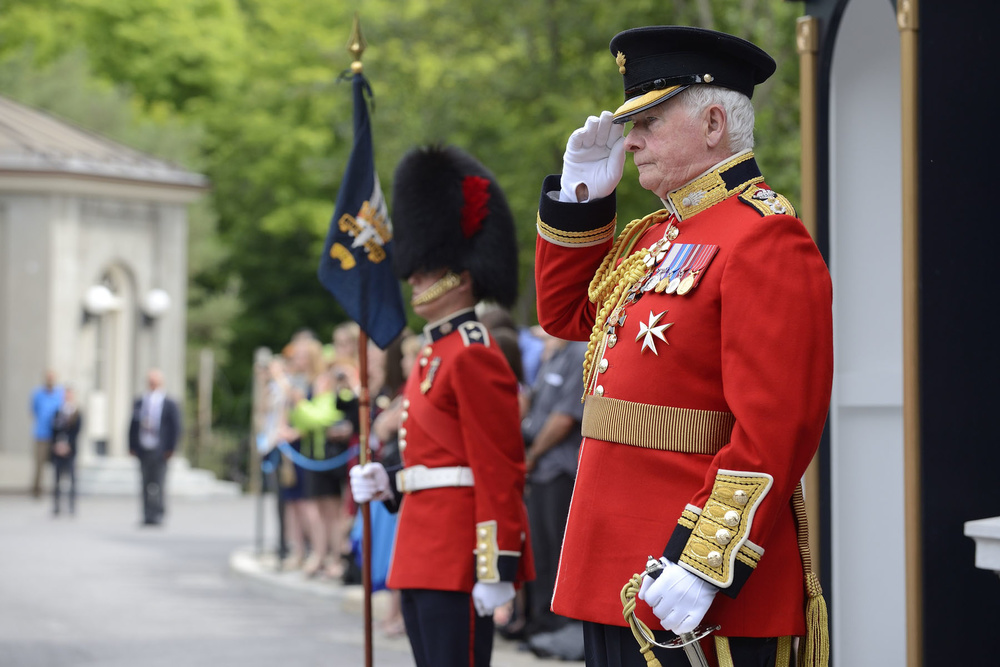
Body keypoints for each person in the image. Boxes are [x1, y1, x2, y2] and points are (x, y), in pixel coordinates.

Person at [533, 26, 834, 667]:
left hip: (689, 577)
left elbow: (775, 428)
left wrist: (704, 560)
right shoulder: (654, 236)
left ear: (714, 122)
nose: (631, 138)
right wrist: (584, 196)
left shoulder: (765, 238)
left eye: (649, 120)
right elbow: (565, 315)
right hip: (612, 564)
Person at [349, 144, 534, 667]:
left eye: (426, 268)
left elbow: (499, 469)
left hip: (459, 556)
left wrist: (497, 567)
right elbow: (438, 454)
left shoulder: (473, 355)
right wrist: (390, 480)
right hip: (420, 548)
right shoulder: (435, 353)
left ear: (461, 272)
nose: (414, 277)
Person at [519, 335, 587, 660]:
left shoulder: (577, 351)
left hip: (561, 470)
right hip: (541, 469)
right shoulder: (554, 353)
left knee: (558, 555)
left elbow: (564, 418)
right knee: (540, 554)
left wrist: (532, 454)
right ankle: (542, 627)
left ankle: (563, 632)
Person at [128, 368, 182, 526]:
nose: (152, 384)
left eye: (155, 381)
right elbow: (132, 424)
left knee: (159, 483)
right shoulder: (140, 401)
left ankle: (158, 513)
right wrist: (131, 445)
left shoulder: (169, 403)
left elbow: (175, 427)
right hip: (143, 447)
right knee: (145, 483)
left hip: (160, 450)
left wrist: (171, 448)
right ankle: (146, 514)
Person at [30, 370, 64, 498]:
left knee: (58, 464)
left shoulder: (59, 393)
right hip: (41, 434)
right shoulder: (38, 394)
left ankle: (57, 490)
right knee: (39, 464)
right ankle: (37, 491)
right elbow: (33, 411)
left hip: (55, 434)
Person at [50, 386, 82, 516]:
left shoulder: (77, 413)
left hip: (71, 450)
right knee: (57, 478)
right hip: (58, 449)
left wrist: (68, 445)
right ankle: (57, 505)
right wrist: (57, 445)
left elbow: (77, 431)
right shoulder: (58, 412)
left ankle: (72, 505)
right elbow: (54, 430)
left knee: (72, 478)